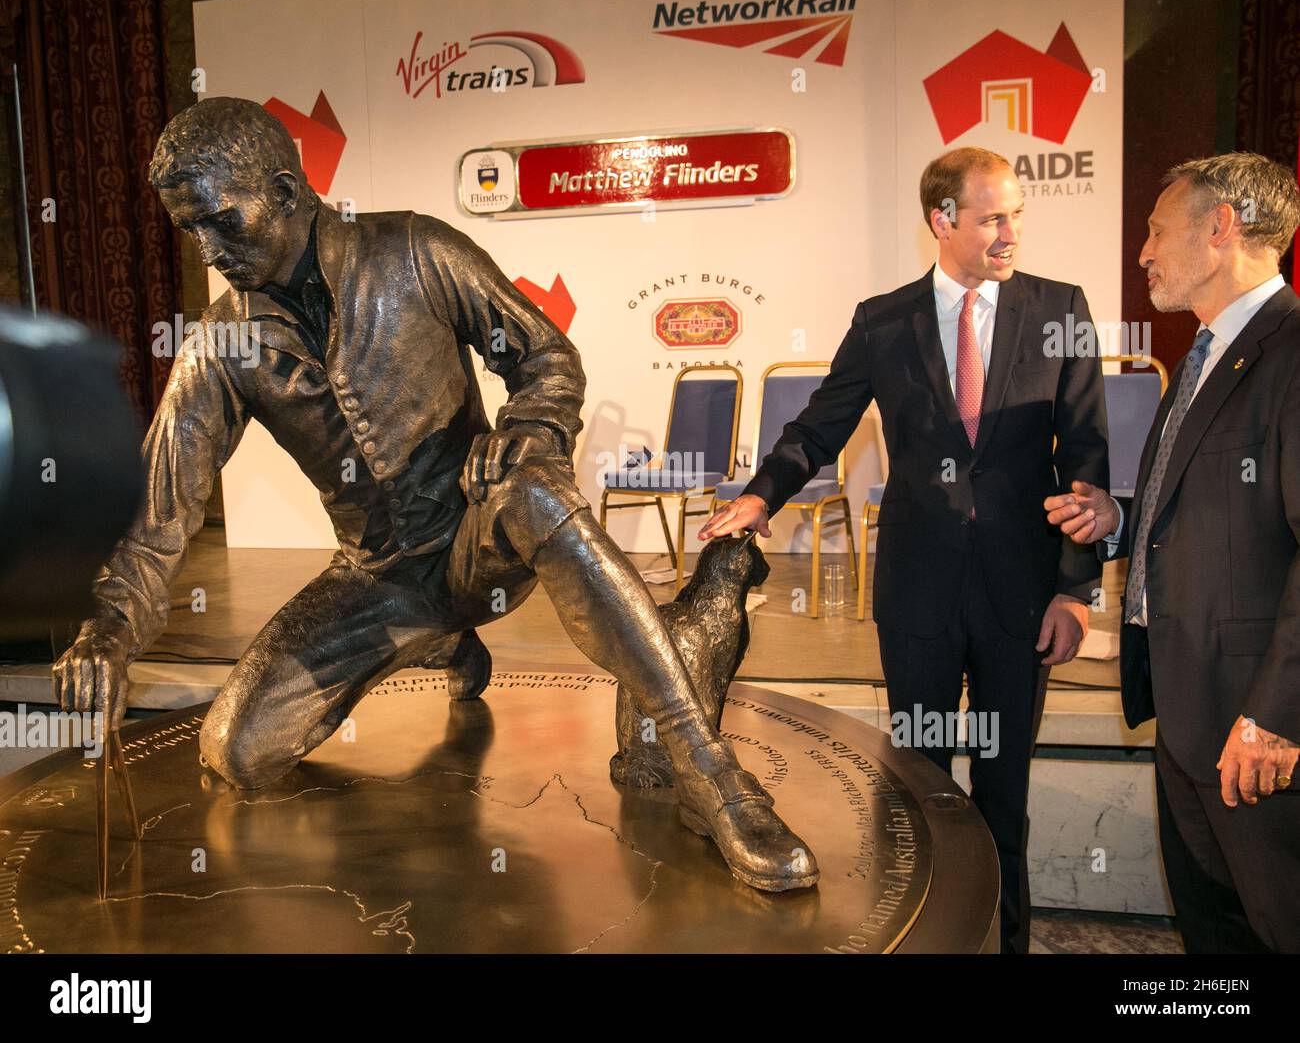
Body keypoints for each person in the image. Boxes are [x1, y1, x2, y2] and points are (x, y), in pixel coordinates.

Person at [51, 96, 818, 894]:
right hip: (376, 578)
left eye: (221, 222)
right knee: (236, 754)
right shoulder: (219, 346)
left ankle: (712, 777)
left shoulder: (414, 250)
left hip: (483, 534)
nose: (209, 252)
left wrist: (530, 427)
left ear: (284, 191)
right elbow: (156, 517)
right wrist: (109, 630)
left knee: (532, 486)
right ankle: (440, 637)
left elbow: (544, 356)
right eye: (191, 232)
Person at [701, 146, 1109, 951]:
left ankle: (1007, 946)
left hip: (1022, 598)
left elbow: (1087, 460)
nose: (1010, 231)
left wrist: (1074, 590)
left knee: (1004, 798)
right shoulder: (883, 320)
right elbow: (821, 424)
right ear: (942, 219)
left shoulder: (1061, 306)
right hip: (917, 597)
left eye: (1017, 214)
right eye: (994, 215)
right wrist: (761, 494)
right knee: (918, 793)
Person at [1046, 152, 1300, 952]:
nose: (1145, 252)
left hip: (1252, 721)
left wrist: (1274, 717)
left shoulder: (1291, 352)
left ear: (1221, 227)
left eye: (1158, 230)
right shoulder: (1202, 356)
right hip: (1189, 712)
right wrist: (1117, 518)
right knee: (1215, 933)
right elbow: (1211, 510)